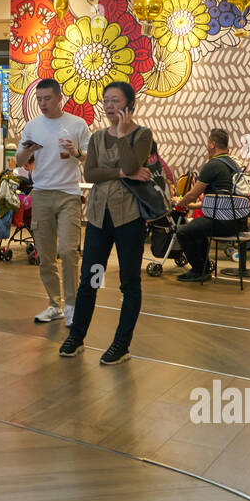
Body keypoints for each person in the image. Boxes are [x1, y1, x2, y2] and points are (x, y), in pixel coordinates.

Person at [59, 81, 151, 366]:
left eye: (115, 100)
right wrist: (123, 173)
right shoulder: (97, 137)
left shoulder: (142, 135)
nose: (109, 105)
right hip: (99, 218)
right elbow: (92, 173)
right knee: (91, 278)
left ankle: (121, 345)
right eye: (106, 100)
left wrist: (123, 136)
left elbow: (134, 166)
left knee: (128, 282)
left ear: (129, 105)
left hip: (129, 219)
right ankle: (77, 337)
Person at [17, 78, 91, 325]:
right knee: (46, 255)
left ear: (60, 98)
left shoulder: (77, 124)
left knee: (69, 251)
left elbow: (92, 158)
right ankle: (54, 304)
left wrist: (77, 153)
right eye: (39, 99)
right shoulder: (32, 126)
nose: (42, 103)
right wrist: (26, 152)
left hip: (69, 194)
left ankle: (72, 305)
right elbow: (19, 160)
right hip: (41, 194)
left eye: (47, 98)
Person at [173, 129, 246, 283]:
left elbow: (193, 194)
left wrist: (178, 203)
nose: (207, 146)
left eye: (207, 143)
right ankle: (203, 267)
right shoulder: (234, 165)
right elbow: (221, 200)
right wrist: (192, 207)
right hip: (238, 222)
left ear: (212, 144)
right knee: (197, 229)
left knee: (183, 232)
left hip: (221, 222)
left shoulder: (213, 165)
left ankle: (199, 270)